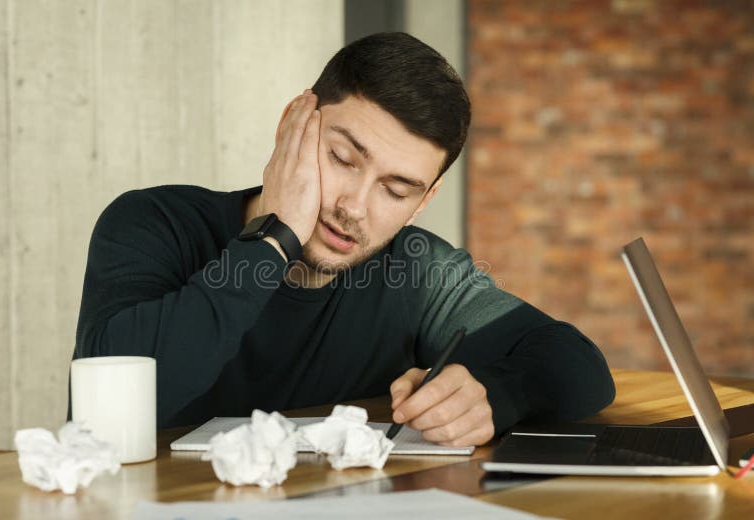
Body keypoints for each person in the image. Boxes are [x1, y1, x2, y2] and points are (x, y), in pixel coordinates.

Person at [71, 32, 615, 448]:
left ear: (424, 200)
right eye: (342, 158)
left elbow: (579, 366)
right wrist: (274, 239)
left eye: (396, 190)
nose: (354, 206)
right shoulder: (153, 223)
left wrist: (498, 394)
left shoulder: (418, 274)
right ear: (293, 123)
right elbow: (116, 403)